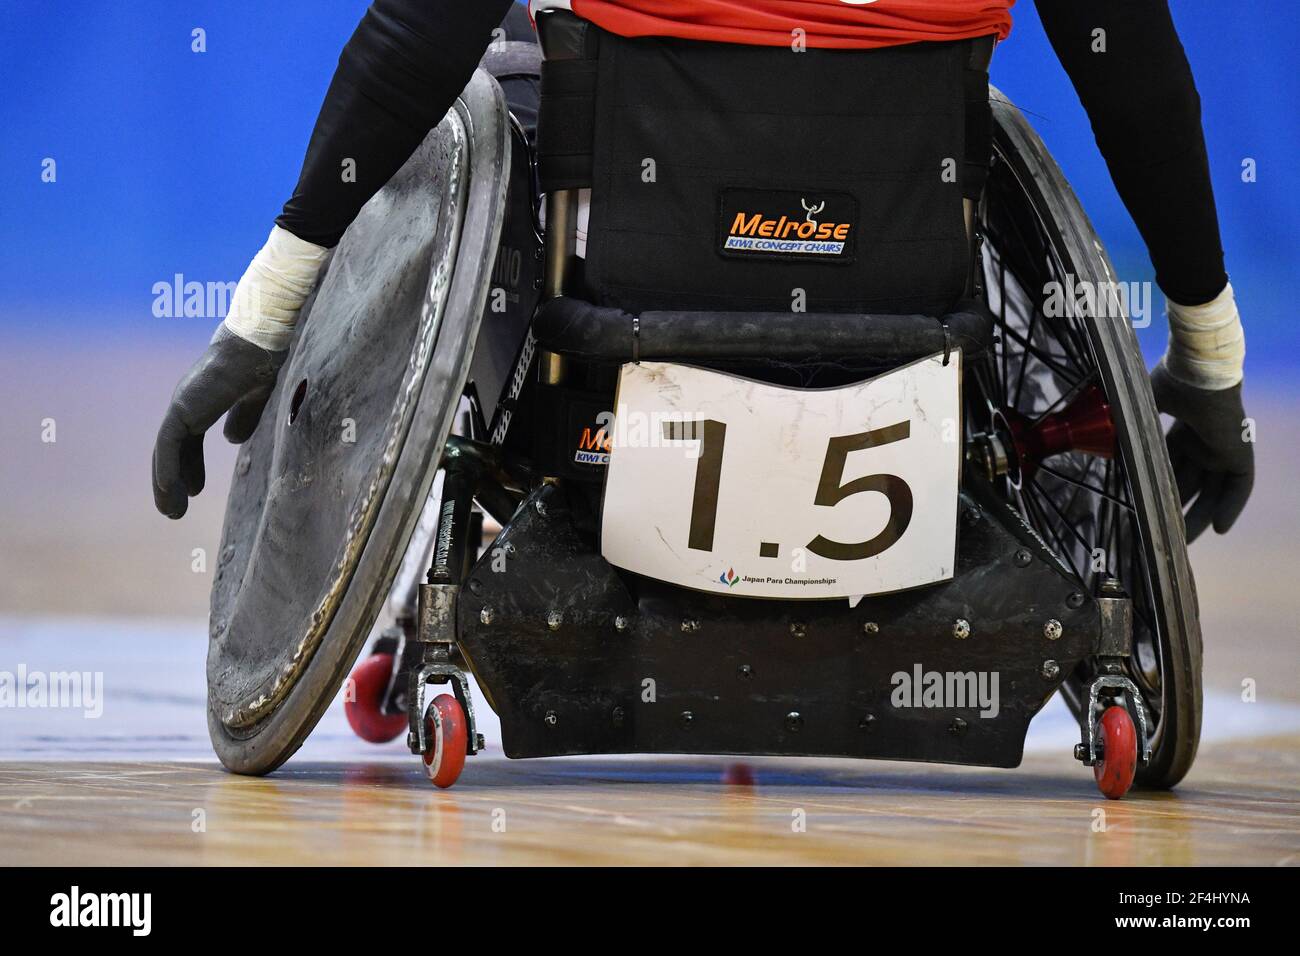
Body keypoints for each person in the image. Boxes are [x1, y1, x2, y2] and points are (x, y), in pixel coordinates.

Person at [152, 0, 1251, 543]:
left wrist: (265, 312)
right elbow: (1141, 86)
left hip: (622, 295)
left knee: (497, 71)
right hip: (903, 290)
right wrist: (1209, 359)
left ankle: (533, 459)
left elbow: (409, 43)